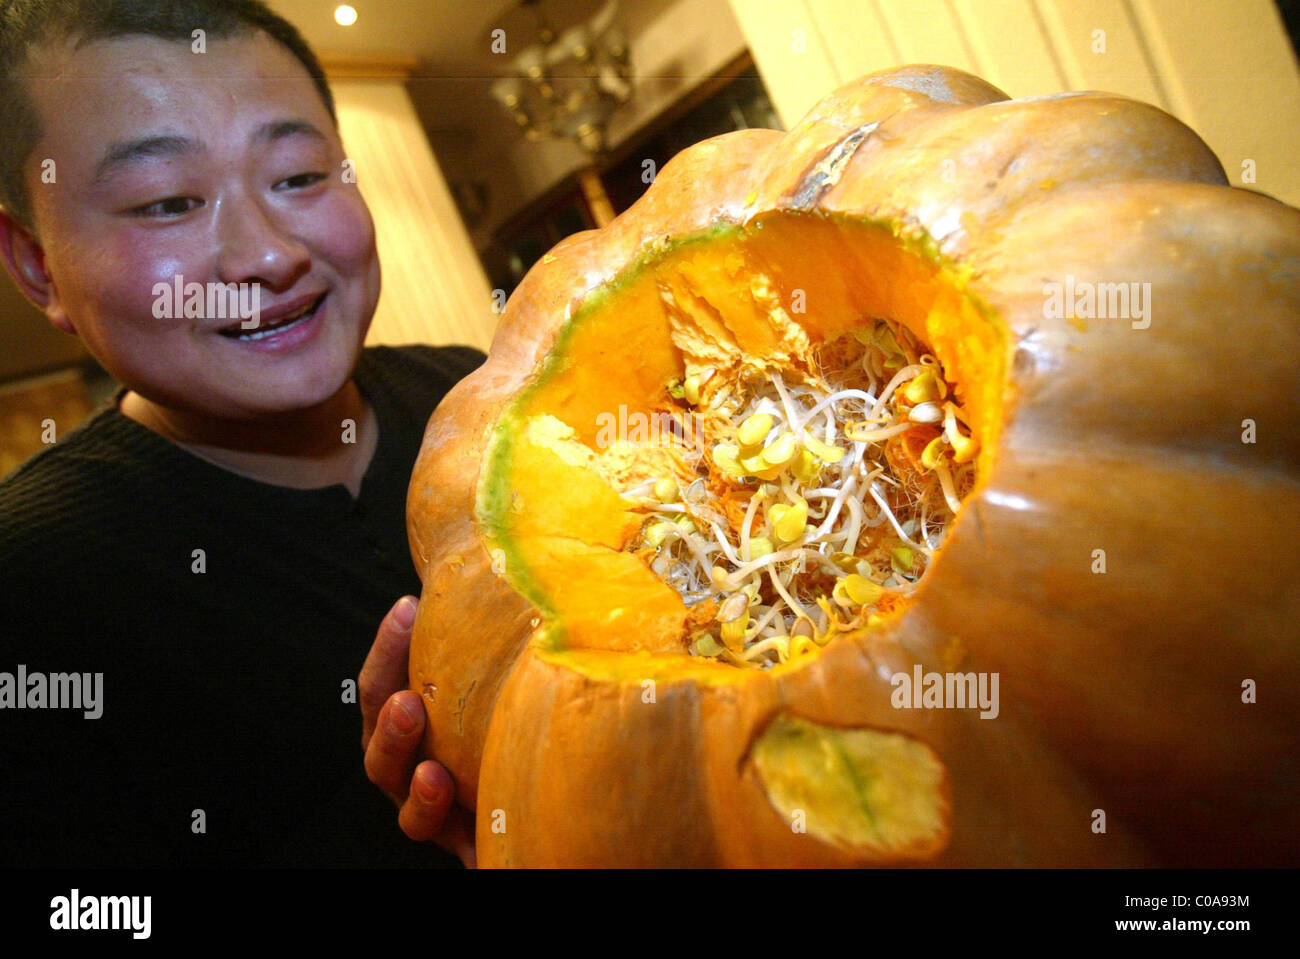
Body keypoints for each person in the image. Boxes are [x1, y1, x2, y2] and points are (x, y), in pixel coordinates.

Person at [0, 0, 473, 867]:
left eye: (297, 176)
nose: (265, 253)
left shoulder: (487, 395)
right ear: (37, 266)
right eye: (166, 201)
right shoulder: (31, 594)